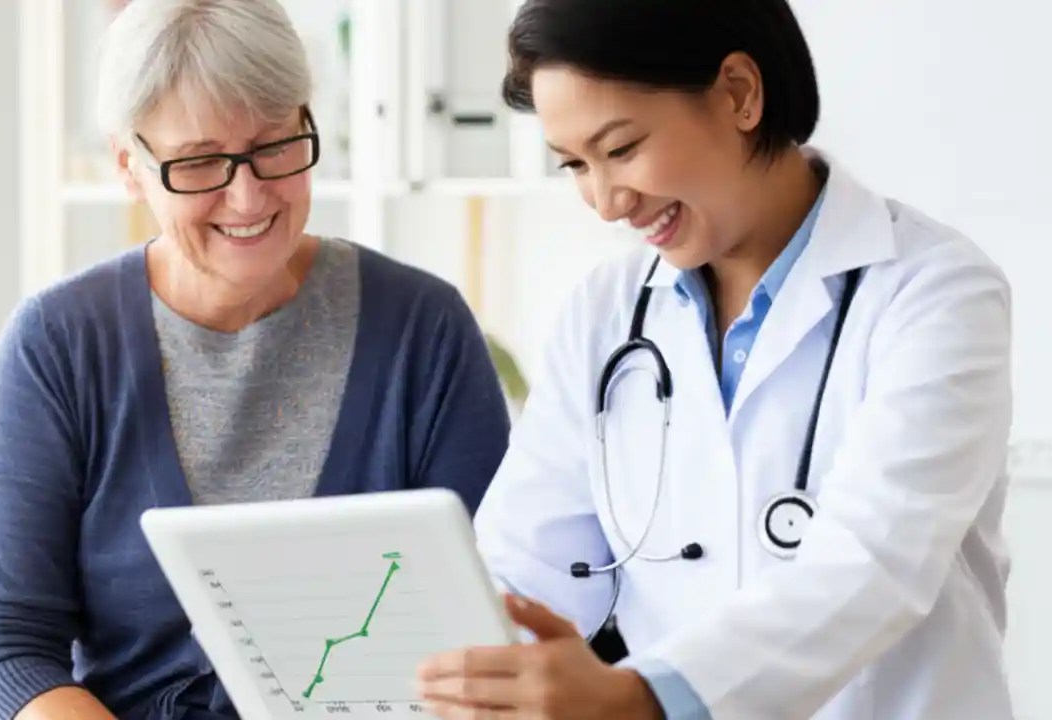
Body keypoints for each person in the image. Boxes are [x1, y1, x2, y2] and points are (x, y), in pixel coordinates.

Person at [417, 0, 1014, 718]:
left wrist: (643, 694)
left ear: (738, 93)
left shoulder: (934, 291)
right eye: (575, 164)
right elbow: (527, 562)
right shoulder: (605, 311)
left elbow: (875, 562)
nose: (606, 201)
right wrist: (483, 676)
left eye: (621, 148)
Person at [0, 1, 511, 718]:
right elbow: (4, 640)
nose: (247, 197)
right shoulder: (59, 344)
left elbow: (489, 612)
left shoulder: (422, 330)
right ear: (131, 166)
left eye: (275, 145)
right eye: (201, 162)